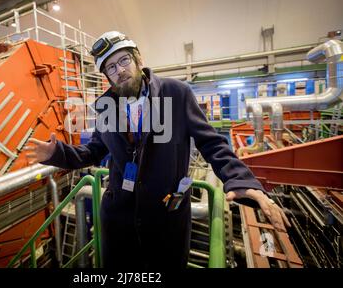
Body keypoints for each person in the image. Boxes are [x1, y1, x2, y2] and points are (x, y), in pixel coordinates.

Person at [23, 31, 290, 269]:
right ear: (106, 76)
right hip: (118, 222)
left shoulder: (176, 93)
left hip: (165, 221)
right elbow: (93, 151)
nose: (120, 70)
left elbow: (211, 142)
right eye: (111, 67)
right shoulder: (105, 107)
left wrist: (239, 178)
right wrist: (57, 154)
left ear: (139, 59)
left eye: (124, 60)